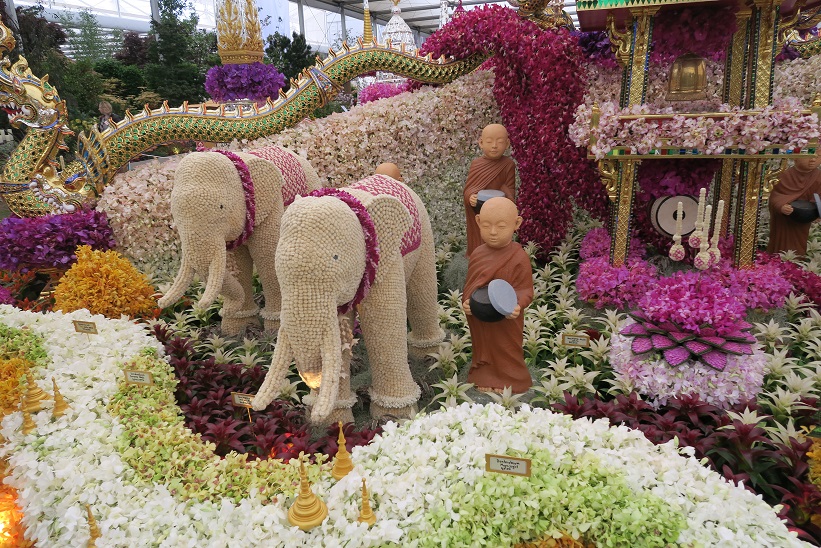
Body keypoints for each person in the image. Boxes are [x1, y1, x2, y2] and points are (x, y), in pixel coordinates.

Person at [462, 197, 533, 394]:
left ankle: (511, 379)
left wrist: (517, 304)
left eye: (501, 226)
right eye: (486, 225)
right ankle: (485, 376)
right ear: (477, 222)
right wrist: (467, 302)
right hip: (482, 317)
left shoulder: (518, 256)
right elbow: (471, 285)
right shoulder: (478, 254)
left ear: (516, 224)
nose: (493, 232)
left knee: (507, 349)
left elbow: (526, 289)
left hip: (507, 318)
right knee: (485, 349)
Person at [463, 124, 517, 256]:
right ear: (481, 143)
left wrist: (503, 194)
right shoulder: (476, 164)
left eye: (499, 142)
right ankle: (477, 256)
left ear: (507, 143)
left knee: (498, 236)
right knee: (480, 234)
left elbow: (510, 190)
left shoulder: (508, 165)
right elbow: (469, 189)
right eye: (489, 141)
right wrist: (470, 197)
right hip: (480, 209)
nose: (494, 145)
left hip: (499, 209)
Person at [767, 150, 821, 256]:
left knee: (799, 246)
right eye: (808, 156)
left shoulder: (819, 177)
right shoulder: (785, 176)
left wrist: (817, 211)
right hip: (784, 221)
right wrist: (781, 206)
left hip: (803, 220)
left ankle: (795, 266)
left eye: (818, 156)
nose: (813, 160)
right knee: (780, 246)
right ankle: (775, 266)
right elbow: (775, 196)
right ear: (795, 157)